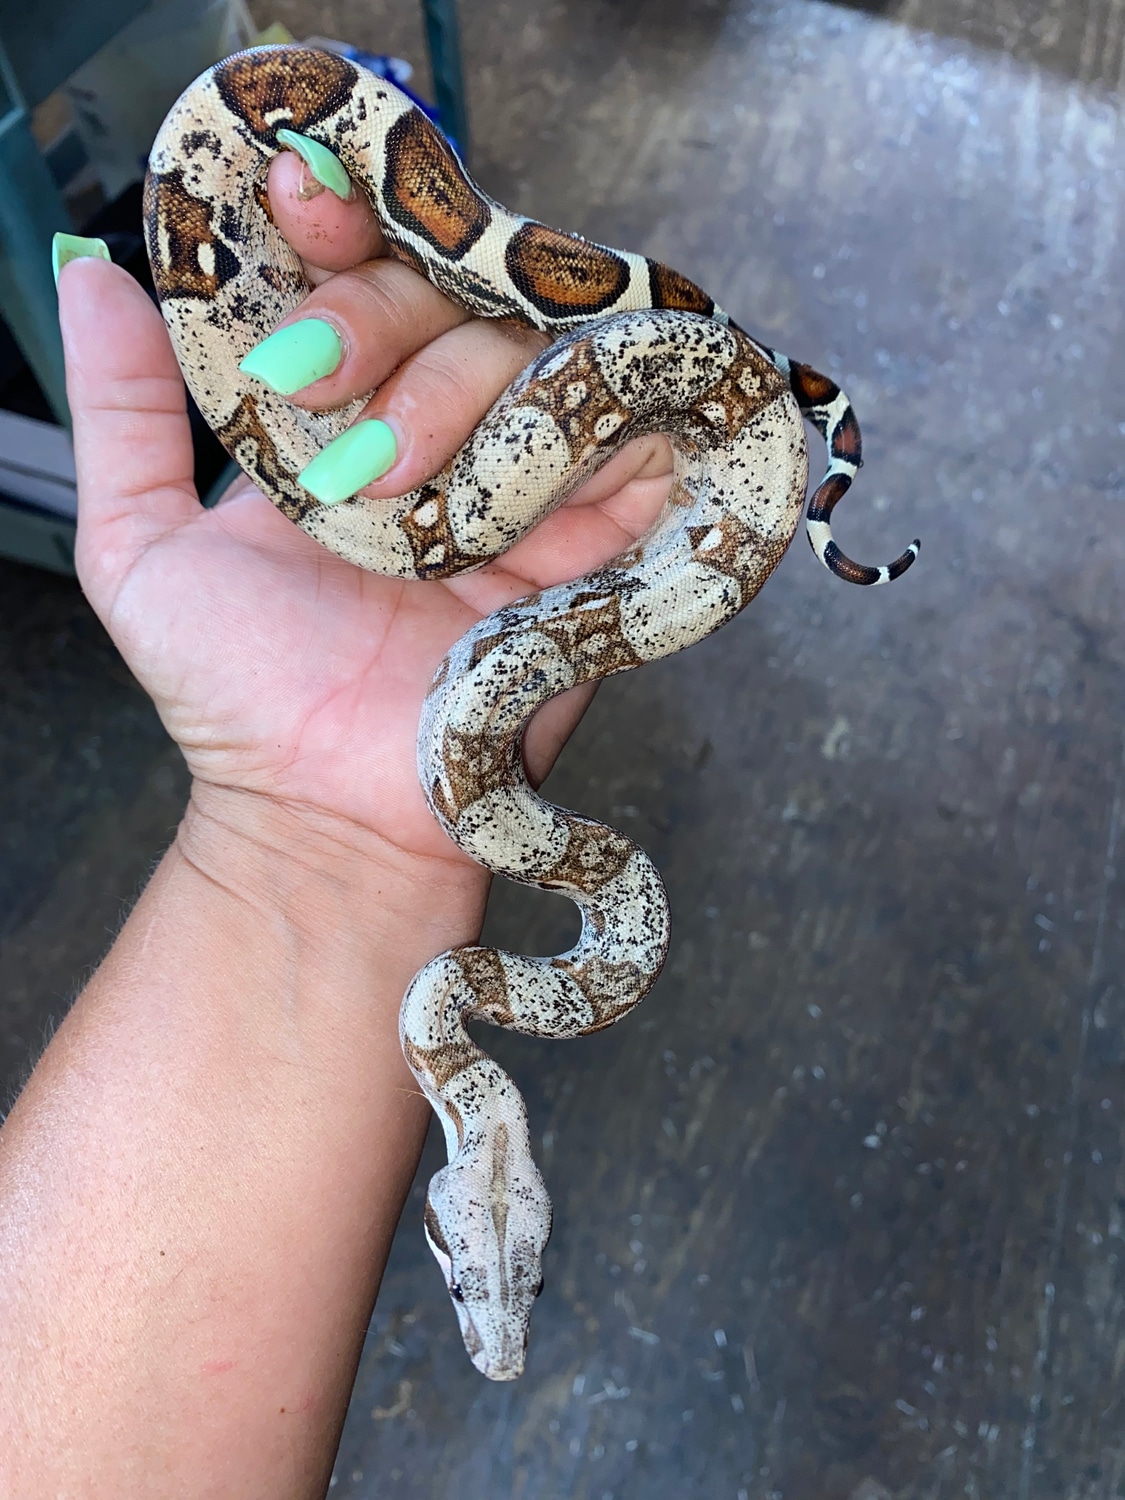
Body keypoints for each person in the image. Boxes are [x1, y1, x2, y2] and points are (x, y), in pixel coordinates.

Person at [0, 146, 673, 1494]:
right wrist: (342, 852)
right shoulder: (483, 998)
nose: (496, 1310)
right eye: (509, 1267)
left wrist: (317, 843)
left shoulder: (486, 1002)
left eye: (482, 1263)